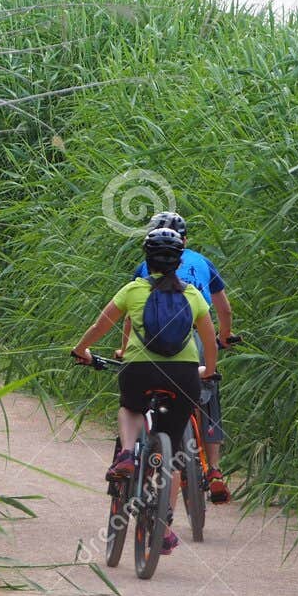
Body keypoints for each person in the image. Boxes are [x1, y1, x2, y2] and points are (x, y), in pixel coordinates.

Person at [73, 227, 217, 555]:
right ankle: (162, 526)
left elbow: (101, 326)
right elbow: (209, 341)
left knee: (130, 407)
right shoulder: (193, 295)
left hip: (140, 369)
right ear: (179, 260)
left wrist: (81, 350)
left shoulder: (133, 290)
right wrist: (207, 372)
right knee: (175, 455)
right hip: (183, 376)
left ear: (146, 258)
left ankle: (126, 453)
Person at [116, 211, 235, 502]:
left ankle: (143, 446)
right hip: (192, 334)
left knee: (138, 393)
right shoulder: (203, 264)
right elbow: (225, 310)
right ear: (185, 242)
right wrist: (224, 337)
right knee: (208, 392)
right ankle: (215, 469)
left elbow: (132, 317)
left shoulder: (143, 268)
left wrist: (123, 350)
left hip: (149, 344)